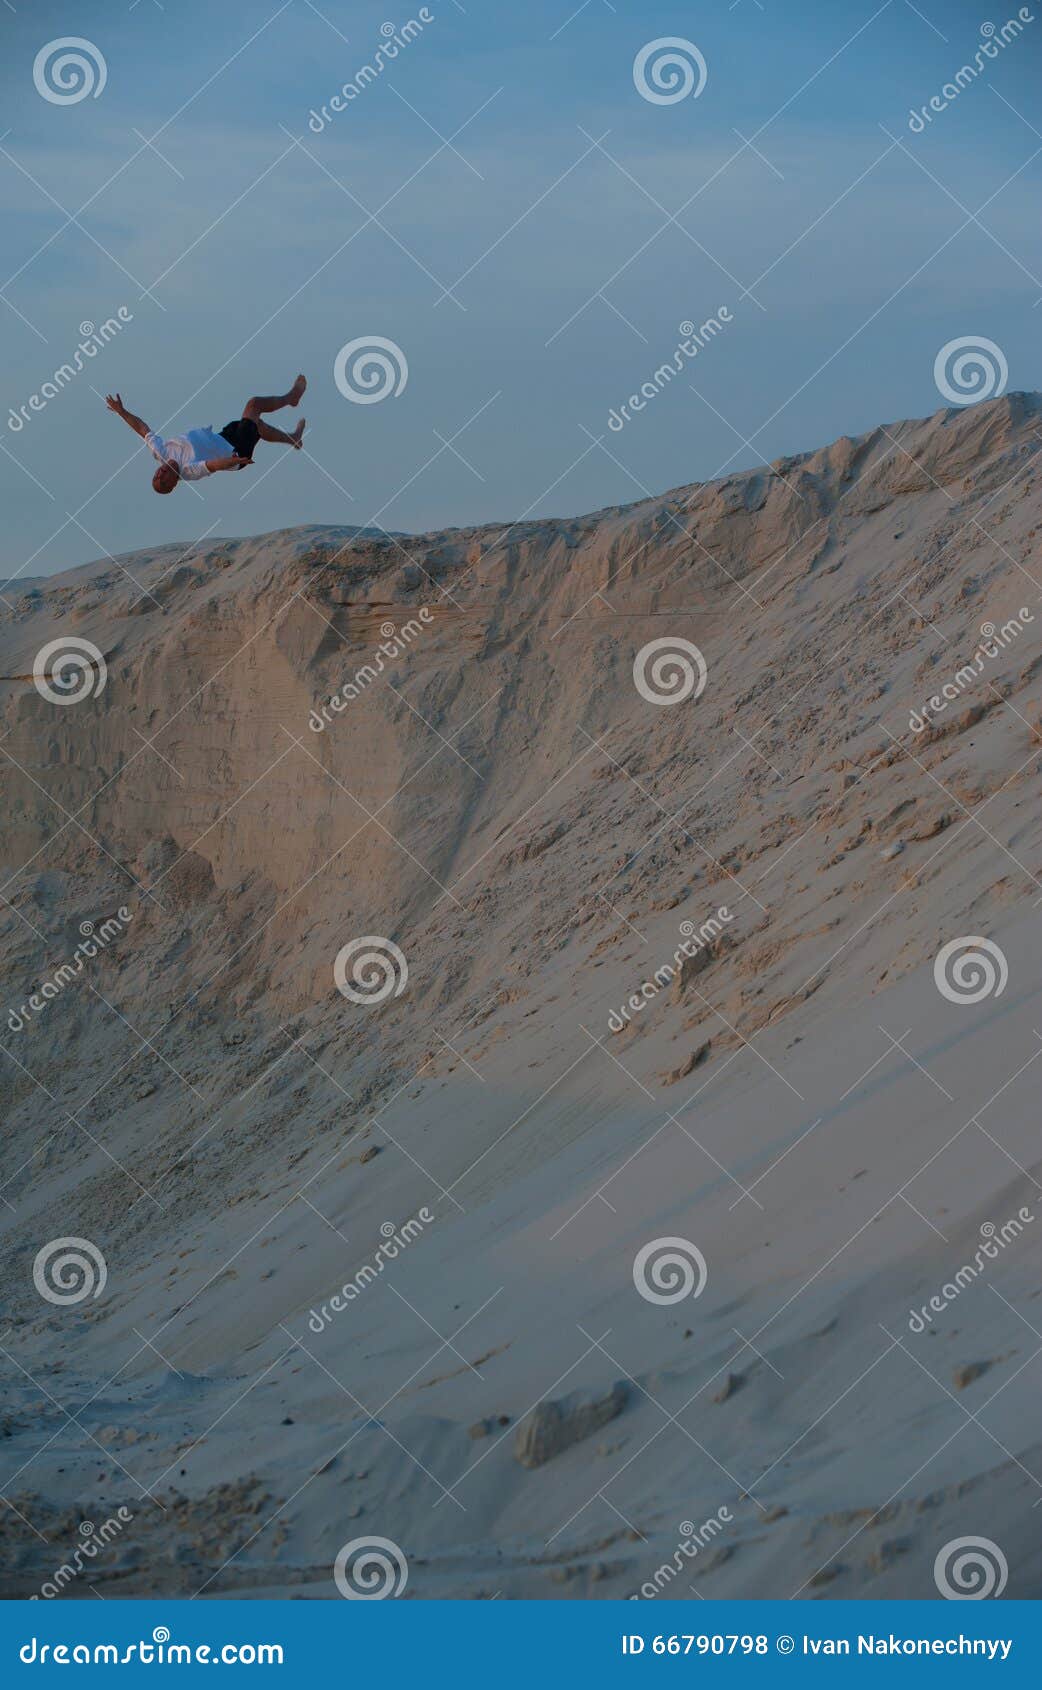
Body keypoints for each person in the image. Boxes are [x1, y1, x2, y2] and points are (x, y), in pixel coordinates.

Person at [106, 376, 307, 494]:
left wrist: (121, 411)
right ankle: (291, 398)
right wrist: (232, 461)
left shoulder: (161, 452)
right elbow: (212, 465)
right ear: (174, 481)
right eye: (164, 477)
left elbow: (142, 428)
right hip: (235, 453)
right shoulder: (188, 471)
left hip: (222, 437)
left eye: (158, 474)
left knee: (259, 427)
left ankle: (293, 439)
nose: (161, 472)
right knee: (253, 405)